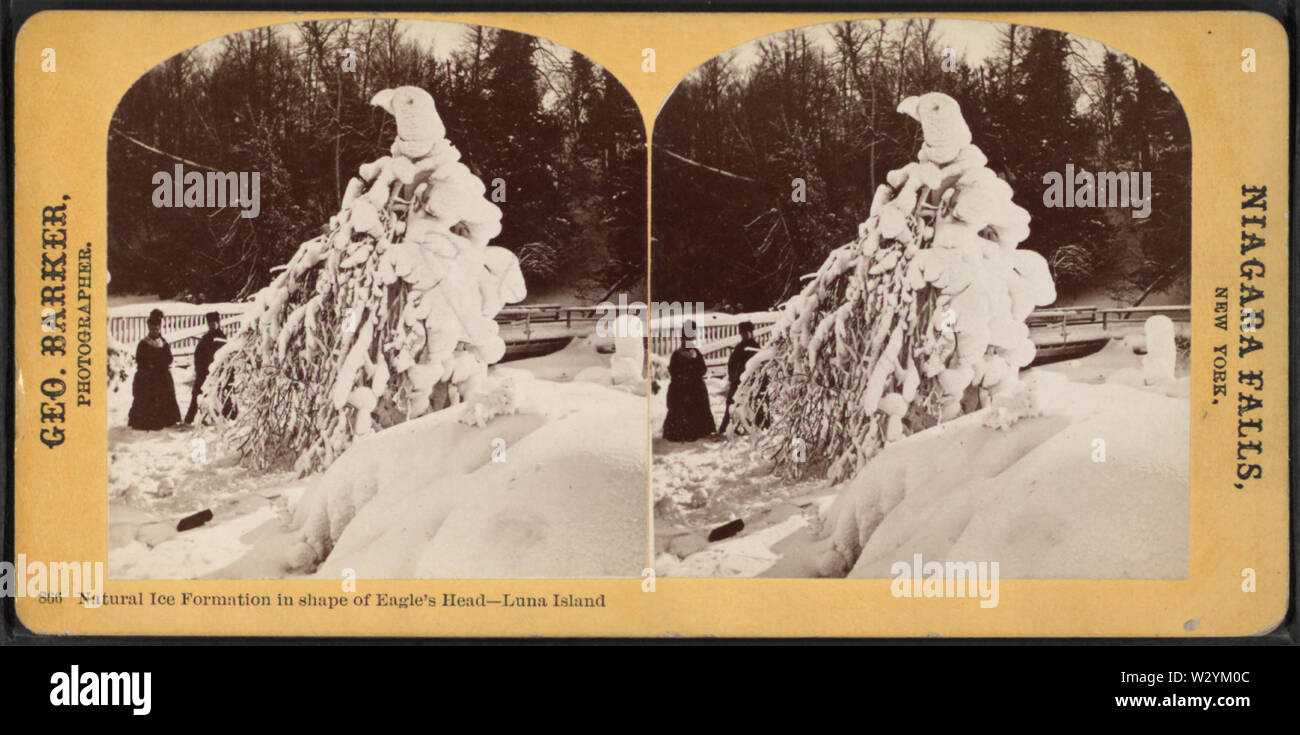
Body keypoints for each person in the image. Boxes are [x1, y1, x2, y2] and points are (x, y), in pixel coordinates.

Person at [127, 309, 182, 430]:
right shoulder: (143, 343)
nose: (155, 331)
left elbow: (169, 358)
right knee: (147, 397)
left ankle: (166, 420)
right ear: (149, 329)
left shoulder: (163, 342)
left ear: (160, 329)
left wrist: (162, 364)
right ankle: (146, 422)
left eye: (157, 329)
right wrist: (150, 365)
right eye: (152, 329)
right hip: (147, 375)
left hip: (162, 374)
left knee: (165, 395)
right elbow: (140, 359)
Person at [662, 320, 716, 442]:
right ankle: (685, 433)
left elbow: (702, 368)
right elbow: (674, 371)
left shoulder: (695, 352)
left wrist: (694, 374)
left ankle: (697, 431)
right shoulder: (678, 354)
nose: (691, 339)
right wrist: (686, 377)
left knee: (697, 406)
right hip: (682, 387)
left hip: (694, 386)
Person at [184, 311, 228, 425]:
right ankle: (189, 419)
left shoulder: (223, 339)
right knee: (197, 394)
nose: (212, 325)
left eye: (214, 322)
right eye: (210, 323)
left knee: (224, 394)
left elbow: (227, 356)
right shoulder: (205, 339)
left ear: (218, 322)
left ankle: (228, 417)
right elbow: (198, 356)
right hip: (204, 372)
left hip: (219, 372)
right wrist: (201, 371)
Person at [718, 320, 761, 434]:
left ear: (751, 333)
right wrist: (733, 377)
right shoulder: (739, 347)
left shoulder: (756, 347)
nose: (744, 336)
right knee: (732, 403)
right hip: (738, 381)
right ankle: (725, 427)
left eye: (746, 333)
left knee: (753, 404)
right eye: (742, 334)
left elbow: (760, 364)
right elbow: (731, 364)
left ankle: (756, 426)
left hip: (752, 381)